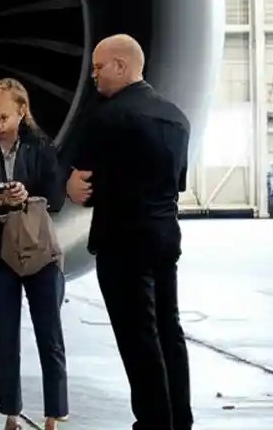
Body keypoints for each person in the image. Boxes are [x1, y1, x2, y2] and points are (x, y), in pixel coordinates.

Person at [65, 34, 193, 430]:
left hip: (122, 238)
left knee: (137, 338)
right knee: (168, 329)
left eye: (99, 67)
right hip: (165, 234)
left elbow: (84, 184)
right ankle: (178, 420)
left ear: (121, 66)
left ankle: (154, 422)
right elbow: (179, 181)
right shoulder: (177, 117)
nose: (94, 77)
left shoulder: (107, 117)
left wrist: (70, 186)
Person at [0, 78, 69, 430]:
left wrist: (25, 196)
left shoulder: (43, 148)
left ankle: (54, 413)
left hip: (40, 252)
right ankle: (11, 412)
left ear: (22, 111)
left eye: (2, 118)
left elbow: (56, 198)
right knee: (5, 335)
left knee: (48, 333)